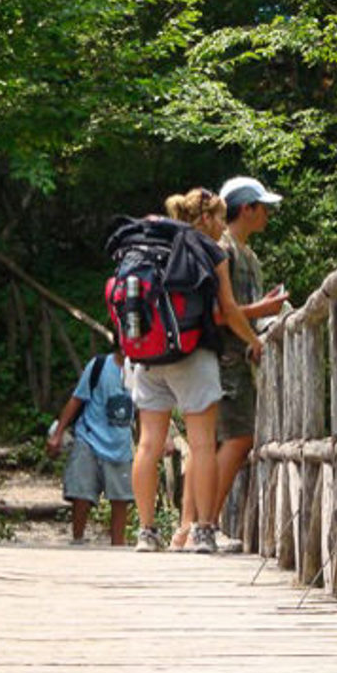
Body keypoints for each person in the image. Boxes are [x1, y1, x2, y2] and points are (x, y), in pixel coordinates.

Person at [126, 188, 263, 554]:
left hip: (149, 354)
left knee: (148, 444)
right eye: (219, 217)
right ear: (205, 218)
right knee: (202, 444)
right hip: (193, 353)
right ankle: (202, 530)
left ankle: (146, 532)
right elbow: (228, 309)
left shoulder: (151, 246)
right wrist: (253, 340)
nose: (222, 225)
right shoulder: (210, 250)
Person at [210, 176, 290, 550]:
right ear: (246, 209)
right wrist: (263, 310)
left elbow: (241, 309)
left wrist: (264, 307)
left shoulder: (249, 256)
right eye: (263, 208)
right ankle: (205, 524)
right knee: (238, 437)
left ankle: (199, 524)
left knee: (228, 439)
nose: (268, 215)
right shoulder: (223, 250)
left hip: (237, 360)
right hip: (227, 360)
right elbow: (219, 314)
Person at [46, 349, 136, 545]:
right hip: (89, 437)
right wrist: (58, 433)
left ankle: (117, 546)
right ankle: (78, 539)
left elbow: (147, 409)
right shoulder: (99, 366)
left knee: (120, 500)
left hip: (120, 445)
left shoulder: (141, 370)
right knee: (81, 494)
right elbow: (77, 399)